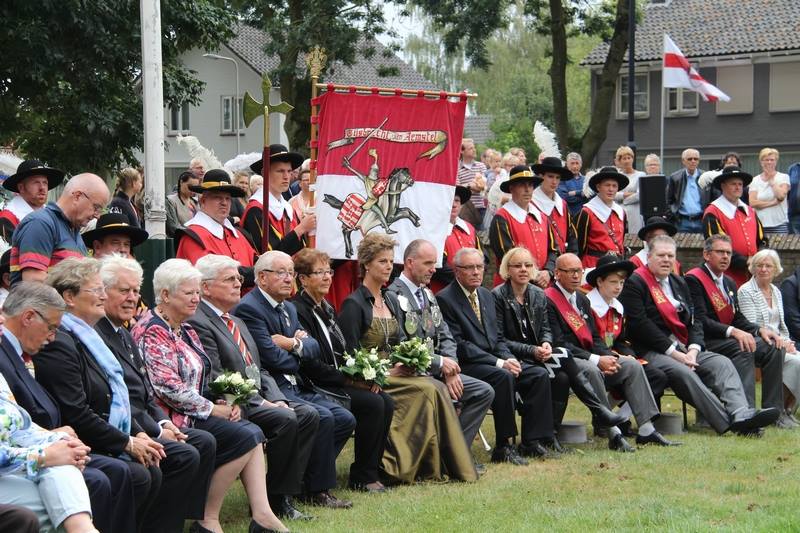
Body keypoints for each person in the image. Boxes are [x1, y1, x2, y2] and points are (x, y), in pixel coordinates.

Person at [130, 259, 287, 533]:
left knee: (250, 431)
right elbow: (167, 387)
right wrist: (212, 409)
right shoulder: (152, 330)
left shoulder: (186, 328)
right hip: (169, 418)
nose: (196, 299)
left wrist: (222, 400)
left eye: (197, 292)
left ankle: (262, 514)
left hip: (192, 410)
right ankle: (208, 520)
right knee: (245, 436)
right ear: (165, 295)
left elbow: (201, 375)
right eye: (189, 293)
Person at [34, 258, 169, 529]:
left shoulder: (90, 337)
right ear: (69, 297)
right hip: (80, 440)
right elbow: (76, 411)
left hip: (102, 434)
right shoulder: (60, 341)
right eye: (97, 290)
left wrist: (138, 433)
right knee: (136, 473)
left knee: (152, 466)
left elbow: (116, 396)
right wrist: (126, 442)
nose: (104, 296)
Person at [189, 254, 321, 519]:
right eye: (230, 279)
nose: (238, 283)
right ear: (205, 287)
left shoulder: (235, 320)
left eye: (239, 278)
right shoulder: (198, 321)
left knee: (306, 414)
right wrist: (260, 402)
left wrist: (276, 397)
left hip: (257, 395)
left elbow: (257, 367)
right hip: (229, 403)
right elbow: (215, 377)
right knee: (285, 419)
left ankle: (280, 495)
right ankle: (275, 502)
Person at [338, 234, 478, 480]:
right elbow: (348, 356)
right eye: (382, 261)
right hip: (369, 379)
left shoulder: (389, 299)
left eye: (390, 261)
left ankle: (437, 462)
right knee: (430, 388)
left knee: (433, 386)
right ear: (367, 264)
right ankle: (408, 466)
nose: (388, 267)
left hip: (395, 372)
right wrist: (386, 371)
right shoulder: (354, 304)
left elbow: (400, 343)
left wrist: (408, 362)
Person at [0, 281, 136, 533]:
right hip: (15, 465)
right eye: (51, 327)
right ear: (28, 317)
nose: (53, 336)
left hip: (27, 453)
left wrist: (57, 440)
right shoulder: (5, 353)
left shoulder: (14, 354)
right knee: (92, 478)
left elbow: (20, 423)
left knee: (83, 465)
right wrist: (43, 454)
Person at [95, 255, 218, 530]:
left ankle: (182, 522)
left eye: (135, 291)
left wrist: (162, 425)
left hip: (147, 421)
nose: (132, 298)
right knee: (184, 453)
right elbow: (121, 398)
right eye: (124, 290)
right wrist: (155, 430)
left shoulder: (122, 331)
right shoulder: (102, 334)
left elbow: (145, 393)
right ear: (102, 292)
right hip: (123, 428)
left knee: (201, 443)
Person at [618, 235, 779, 436]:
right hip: (654, 351)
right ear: (649, 256)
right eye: (661, 255)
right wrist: (676, 354)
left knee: (721, 363)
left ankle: (740, 412)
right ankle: (731, 422)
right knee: (685, 373)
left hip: (686, 348)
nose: (666, 260)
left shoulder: (678, 282)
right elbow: (641, 326)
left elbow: (694, 321)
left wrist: (693, 350)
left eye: (670, 256)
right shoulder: (635, 282)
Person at [234, 251, 355, 507]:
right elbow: (271, 359)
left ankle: (304, 481)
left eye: (290, 272)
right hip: (274, 387)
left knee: (344, 418)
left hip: (296, 383)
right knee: (322, 417)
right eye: (281, 273)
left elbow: (313, 348)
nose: (289, 278)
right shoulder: (250, 308)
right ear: (262, 277)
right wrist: (299, 349)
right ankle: (315, 490)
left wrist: (291, 344)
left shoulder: (288, 307)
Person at [493, 248, 644, 451]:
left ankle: (552, 435)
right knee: (571, 364)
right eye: (517, 265)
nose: (523, 269)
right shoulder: (498, 296)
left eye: (528, 265)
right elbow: (499, 339)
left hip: (542, 354)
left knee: (567, 375)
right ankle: (599, 412)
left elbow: (546, 330)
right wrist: (534, 349)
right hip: (517, 357)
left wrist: (545, 343)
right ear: (507, 269)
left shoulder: (538, 294)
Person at [437, 247, 555, 464]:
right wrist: (500, 363)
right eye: (469, 268)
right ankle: (504, 446)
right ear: (457, 271)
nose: (476, 272)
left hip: (493, 359)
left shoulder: (485, 294)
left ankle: (532, 441)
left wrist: (509, 358)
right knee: (503, 377)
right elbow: (460, 345)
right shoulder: (445, 299)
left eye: (479, 267)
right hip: (467, 364)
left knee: (537, 375)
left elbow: (497, 337)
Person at [292, 248, 394, 492]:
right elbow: (309, 363)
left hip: (336, 378)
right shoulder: (299, 309)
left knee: (385, 401)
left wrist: (363, 373)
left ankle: (369, 470)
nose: (327, 277)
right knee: (372, 403)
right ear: (303, 279)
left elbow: (342, 350)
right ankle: (363, 476)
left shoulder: (325, 307)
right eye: (319, 273)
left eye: (328, 271)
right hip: (316, 384)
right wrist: (347, 380)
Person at [387, 240, 494, 456]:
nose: (433, 269)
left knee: (483, 391)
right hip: (412, 372)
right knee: (442, 391)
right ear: (410, 262)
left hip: (439, 370)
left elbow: (445, 335)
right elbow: (400, 344)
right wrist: (440, 363)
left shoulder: (427, 293)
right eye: (428, 263)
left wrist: (450, 367)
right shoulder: (392, 295)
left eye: (434, 263)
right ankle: (449, 456)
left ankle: (454, 454)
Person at [547, 253, 664, 450]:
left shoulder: (581, 300)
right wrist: (596, 359)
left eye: (579, 271)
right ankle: (613, 433)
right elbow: (559, 343)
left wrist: (608, 356)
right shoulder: (548, 299)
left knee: (632, 365)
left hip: (589, 356)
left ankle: (646, 429)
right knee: (593, 370)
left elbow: (594, 337)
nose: (576, 276)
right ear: (557, 273)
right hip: (566, 360)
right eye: (570, 271)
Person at [685, 236, 790, 428]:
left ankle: (776, 412)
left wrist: (760, 330)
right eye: (720, 252)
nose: (726, 257)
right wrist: (733, 331)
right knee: (744, 346)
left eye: (728, 253)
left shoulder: (729, 282)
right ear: (706, 254)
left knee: (774, 346)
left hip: (726, 339)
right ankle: (746, 413)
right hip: (705, 341)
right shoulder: (694, 279)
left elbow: (737, 317)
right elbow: (699, 320)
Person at [0, 369, 96, 533]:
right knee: (53, 509)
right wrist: (41, 456)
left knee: (62, 462)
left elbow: (18, 429)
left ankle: (83, 528)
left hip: (10, 470)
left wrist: (64, 442)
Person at [585, 254, 671, 424]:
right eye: (613, 282)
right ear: (600, 281)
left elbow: (621, 339)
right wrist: (615, 357)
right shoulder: (587, 305)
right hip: (596, 359)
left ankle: (619, 419)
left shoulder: (618, 306)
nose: (618, 287)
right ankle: (607, 419)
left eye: (622, 282)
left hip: (617, 358)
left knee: (657, 377)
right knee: (632, 373)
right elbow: (589, 340)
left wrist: (628, 354)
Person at [10, 173, 108, 284]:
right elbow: (33, 279)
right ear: (77, 196)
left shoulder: (73, 230)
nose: (97, 216)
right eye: (96, 207)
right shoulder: (40, 223)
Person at [739, 250, 800, 422]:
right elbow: (751, 326)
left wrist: (787, 342)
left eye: (768, 266)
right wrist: (779, 342)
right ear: (753, 268)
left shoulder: (776, 291)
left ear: (776, 269)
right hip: (759, 343)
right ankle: (776, 412)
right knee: (796, 363)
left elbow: (782, 325)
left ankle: (787, 409)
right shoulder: (746, 291)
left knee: (797, 357)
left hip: (779, 342)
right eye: (760, 265)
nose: (764, 269)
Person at [175, 169, 258, 286]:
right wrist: (258, 273)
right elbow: (210, 277)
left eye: (228, 198)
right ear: (203, 201)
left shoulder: (239, 234)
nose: (224, 203)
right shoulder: (193, 236)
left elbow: (257, 261)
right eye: (217, 197)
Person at [489, 165, 555, 287]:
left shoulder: (542, 217)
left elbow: (554, 249)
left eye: (530, 185)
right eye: (522, 185)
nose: (527, 189)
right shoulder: (502, 218)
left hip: (544, 284)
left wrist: (548, 272)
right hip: (513, 287)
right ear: (511, 188)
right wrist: (535, 276)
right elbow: (508, 257)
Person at [243, 144, 315, 255]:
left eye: (289, 171)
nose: (286, 176)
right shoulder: (256, 210)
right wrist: (301, 228)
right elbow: (271, 256)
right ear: (264, 173)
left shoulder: (288, 208)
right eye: (280, 171)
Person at [703, 166, 767, 287]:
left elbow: (762, 240)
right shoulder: (713, 212)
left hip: (753, 277)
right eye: (733, 184)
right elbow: (717, 246)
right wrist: (746, 262)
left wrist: (760, 260)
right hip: (727, 278)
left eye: (740, 184)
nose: (738, 187)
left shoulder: (750, 211)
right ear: (723, 186)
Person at [575, 167, 629, 268]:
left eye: (614, 186)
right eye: (607, 185)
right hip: (594, 265)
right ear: (598, 187)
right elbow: (579, 246)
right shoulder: (587, 212)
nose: (611, 189)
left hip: (617, 265)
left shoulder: (621, 212)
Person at [0, 159, 64, 244]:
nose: (42, 188)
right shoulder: (7, 219)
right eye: (36, 182)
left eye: (45, 183)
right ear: (21, 187)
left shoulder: (53, 215)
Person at [431, 186, 481, 293]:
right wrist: (465, 280)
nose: (454, 205)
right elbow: (438, 266)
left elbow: (482, 257)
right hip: (443, 292)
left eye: (457, 201)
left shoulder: (470, 228)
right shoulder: (434, 229)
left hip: (469, 291)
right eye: (450, 200)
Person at [531, 156, 577, 254]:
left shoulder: (562, 204)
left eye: (558, 178)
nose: (554, 182)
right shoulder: (531, 204)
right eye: (550, 176)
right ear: (541, 176)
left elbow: (572, 235)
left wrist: (572, 255)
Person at [749, 148, 790, 234]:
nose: (769, 162)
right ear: (761, 162)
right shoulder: (755, 180)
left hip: (779, 223)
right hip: (759, 224)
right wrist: (772, 203)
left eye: (772, 160)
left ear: (776, 162)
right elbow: (752, 203)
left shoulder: (783, 177)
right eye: (766, 160)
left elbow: (781, 196)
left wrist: (771, 180)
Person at [666, 148, 708, 232]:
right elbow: (668, 200)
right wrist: (673, 215)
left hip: (702, 220)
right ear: (683, 161)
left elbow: (713, 198)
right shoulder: (675, 177)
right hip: (682, 221)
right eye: (689, 159)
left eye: (696, 159)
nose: (693, 161)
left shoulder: (706, 177)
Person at [82, 212, 149, 260]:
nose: (123, 249)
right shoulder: (84, 275)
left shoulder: (132, 274)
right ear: (97, 247)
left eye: (126, 244)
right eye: (115, 243)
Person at [456, 138, 487, 230]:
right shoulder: (456, 167)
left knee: (481, 234)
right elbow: (457, 188)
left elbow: (485, 185)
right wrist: (470, 185)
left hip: (480, 207)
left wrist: (469, 187)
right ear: (462, 151)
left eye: (474, 148)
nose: (474, 150)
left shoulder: (481, 166)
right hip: (465, 209)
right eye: (470, 148)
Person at [613, 146, 644, 235]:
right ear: (620, 161)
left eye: (629, 158)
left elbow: (639, 195)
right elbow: (613, 194)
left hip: (635, 213)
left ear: (632, 159)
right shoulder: (617, 176)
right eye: (624, 158)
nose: (627, 161)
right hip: (619, 212)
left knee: (635, 238)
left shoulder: (641, 175)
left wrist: (623, 200)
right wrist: (624, 195)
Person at [166, 171, 199, 238]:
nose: (192, 190)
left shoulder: (196, 202)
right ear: (181, 182)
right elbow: (173, 227)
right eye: (190, 186)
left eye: (195, 187)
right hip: (182, 238)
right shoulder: (170, 201)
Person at [557, 152, 588, 216]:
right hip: (568, 217)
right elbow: (565, 197)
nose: (575, 166)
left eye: (577, 163)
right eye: (572, 163)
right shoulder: (562, 180)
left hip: (585, 217)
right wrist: (582, 194)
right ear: (567, 164)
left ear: (581, 164)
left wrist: (575, 193)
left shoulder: (586, 180)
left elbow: (589, 196)